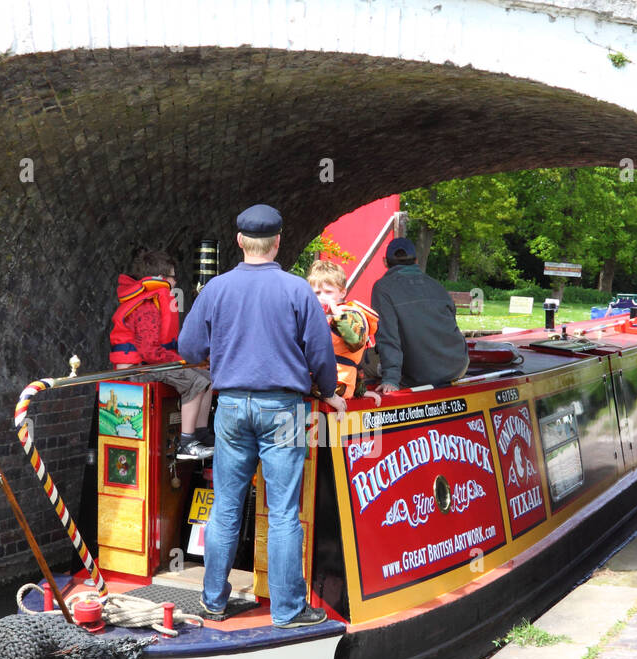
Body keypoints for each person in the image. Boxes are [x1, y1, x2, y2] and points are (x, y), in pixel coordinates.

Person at [179, 204, 347, 628]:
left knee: (226, 506)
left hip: (232, 406)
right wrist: (330, 394)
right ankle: (288, 610)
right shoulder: (296, 291)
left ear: (240, 242)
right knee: (284, 511)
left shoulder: (215, 289)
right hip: (285, 409)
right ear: (277, 242)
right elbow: (321, 354)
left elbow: (189, 349)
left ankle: (214, 601)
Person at [109, 248, 214, 458]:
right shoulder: (147, 305)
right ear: (161, 278)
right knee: (195, 382)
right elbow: (150, 352)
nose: (175, 283)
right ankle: (186, 442)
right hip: (138, 370)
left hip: (149, 364)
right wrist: (180, 361)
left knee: (209, 378)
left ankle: (201, 433)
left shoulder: (151, 300)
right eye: (173, 277)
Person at [370, 237, 469, 394]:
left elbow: (387, 337)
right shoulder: (437, 285)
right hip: (458, 366)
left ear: (385, 262)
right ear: (416, 261)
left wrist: (391, 379)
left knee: (365, 359)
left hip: (422, 375)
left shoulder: (382, 287)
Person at [305, 260, 382, 402]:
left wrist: (338, 315)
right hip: (320, 383)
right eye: (316, 292)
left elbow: (355, 341)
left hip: (336, 385)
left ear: (342, 292)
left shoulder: (349, 314)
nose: (322, 297)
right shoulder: (315, 316)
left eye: (328, 292)